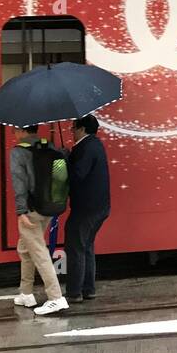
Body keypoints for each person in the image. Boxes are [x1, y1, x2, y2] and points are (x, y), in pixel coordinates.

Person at [10, 125, 68, 315]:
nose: (14, 134)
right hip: (49, 207)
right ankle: (26, 293)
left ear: (22, 131)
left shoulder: (19, 152)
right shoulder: (49, 147)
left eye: (15, 130)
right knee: (25, 248)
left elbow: (19, 182)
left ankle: (56, 297)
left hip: (31, 210)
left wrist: (21, 211)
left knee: (38, 252)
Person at [64, 115, 111, 303]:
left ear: (81, 129)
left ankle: (74, 292)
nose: (71, 131)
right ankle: (88, 289)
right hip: (99, 207)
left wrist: (66, 158)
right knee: (86, 247)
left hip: (86, 209)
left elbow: (77, 175)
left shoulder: (86, 148)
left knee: (75, 247)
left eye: (73, 127)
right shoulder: (95, 144)